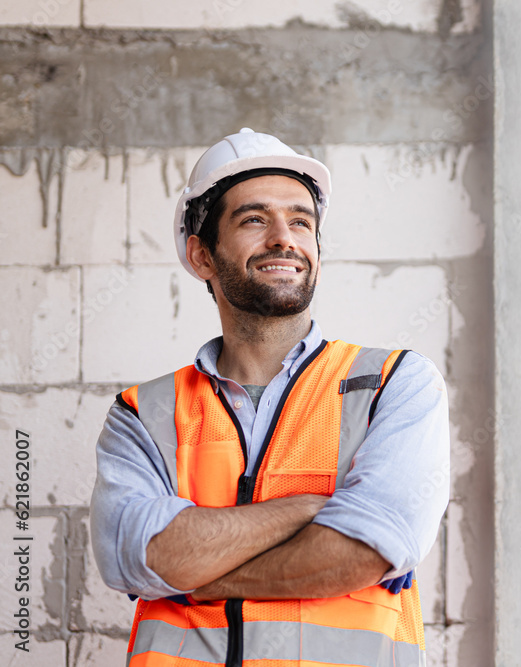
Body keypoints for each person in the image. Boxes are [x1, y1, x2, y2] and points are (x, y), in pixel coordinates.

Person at [90, 128, 450, 667]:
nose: (284, 238)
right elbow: (138, 555)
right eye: (254, 219)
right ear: (202, 256)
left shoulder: (393, 384)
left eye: (301, 221)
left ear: (318, 256)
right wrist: (308, 508)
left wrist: (202, 580)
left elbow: (363, 551)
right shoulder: (143, 414)